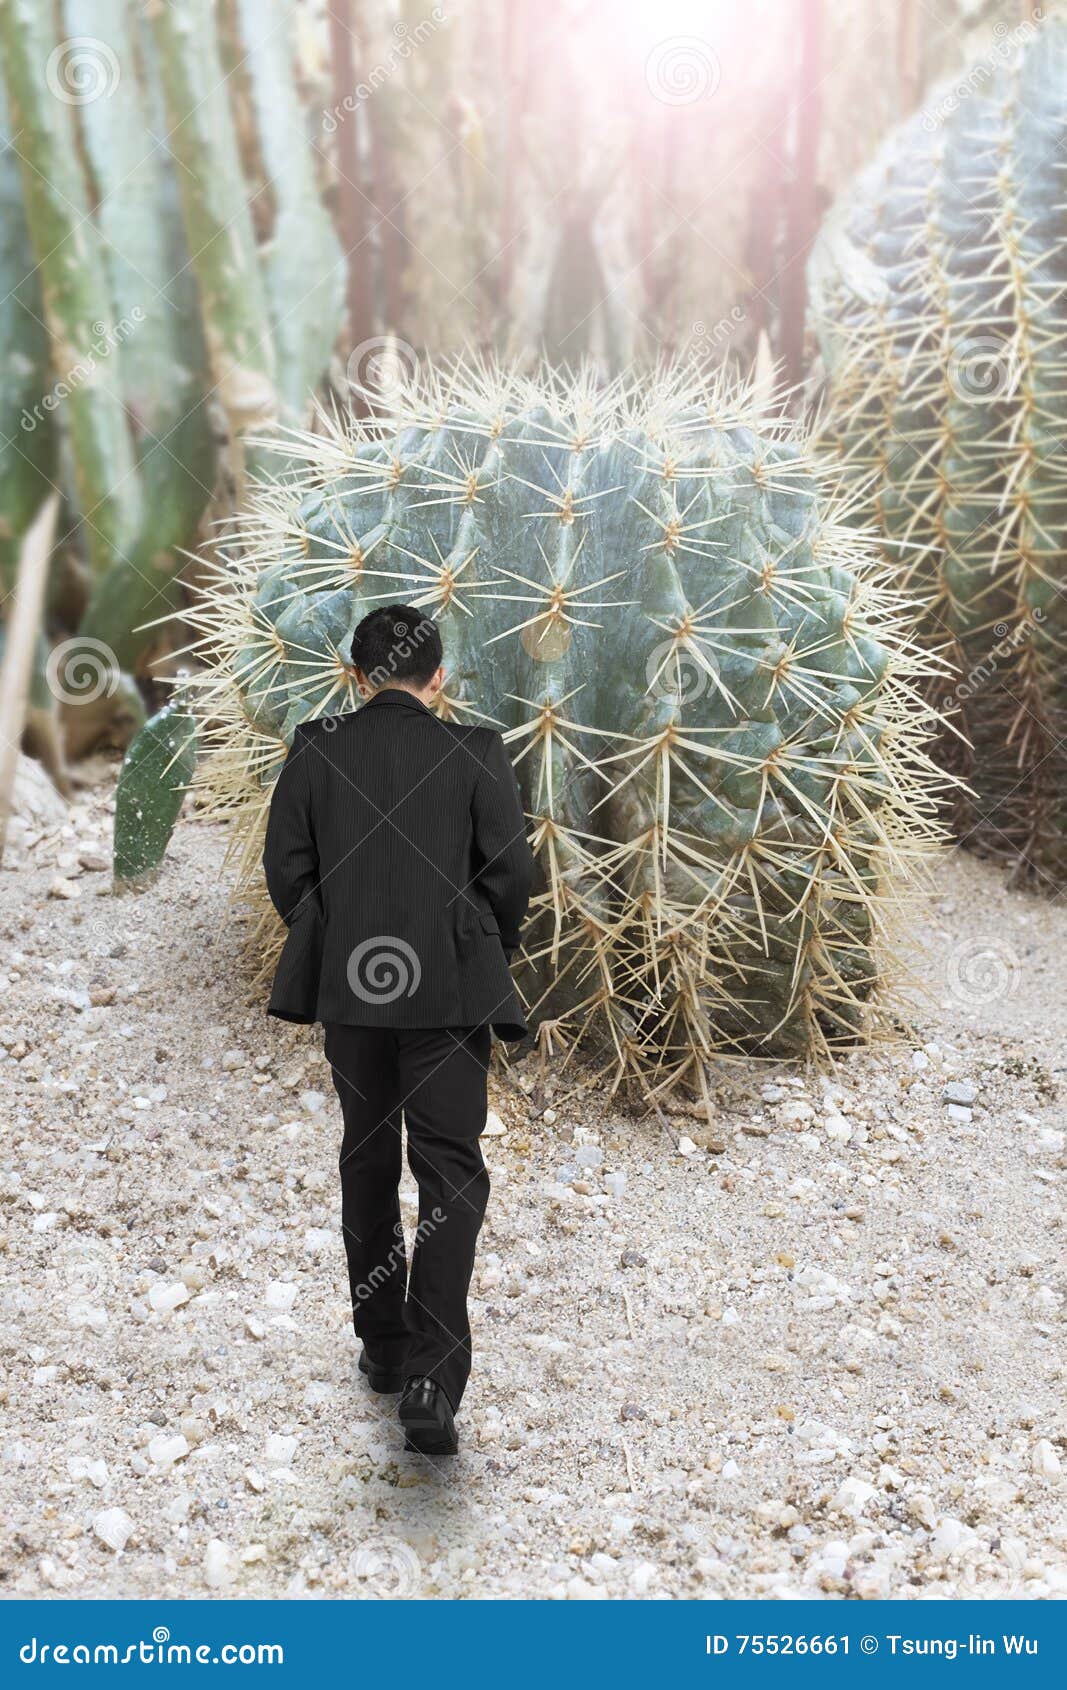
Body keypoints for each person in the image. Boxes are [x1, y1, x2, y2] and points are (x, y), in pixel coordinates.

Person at [262, 605, 533, 1455]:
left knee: (367, 1156)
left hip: (353, 992)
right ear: (439, 679)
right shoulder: (476, 752)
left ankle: (381, 1346)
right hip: (448, 997)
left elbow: (287, 868)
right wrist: (474, 945)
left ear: (355, 676)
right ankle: (430, 1377)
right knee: (450, 1173)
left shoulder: (316, 747)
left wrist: (335, 938)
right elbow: (509, 877)